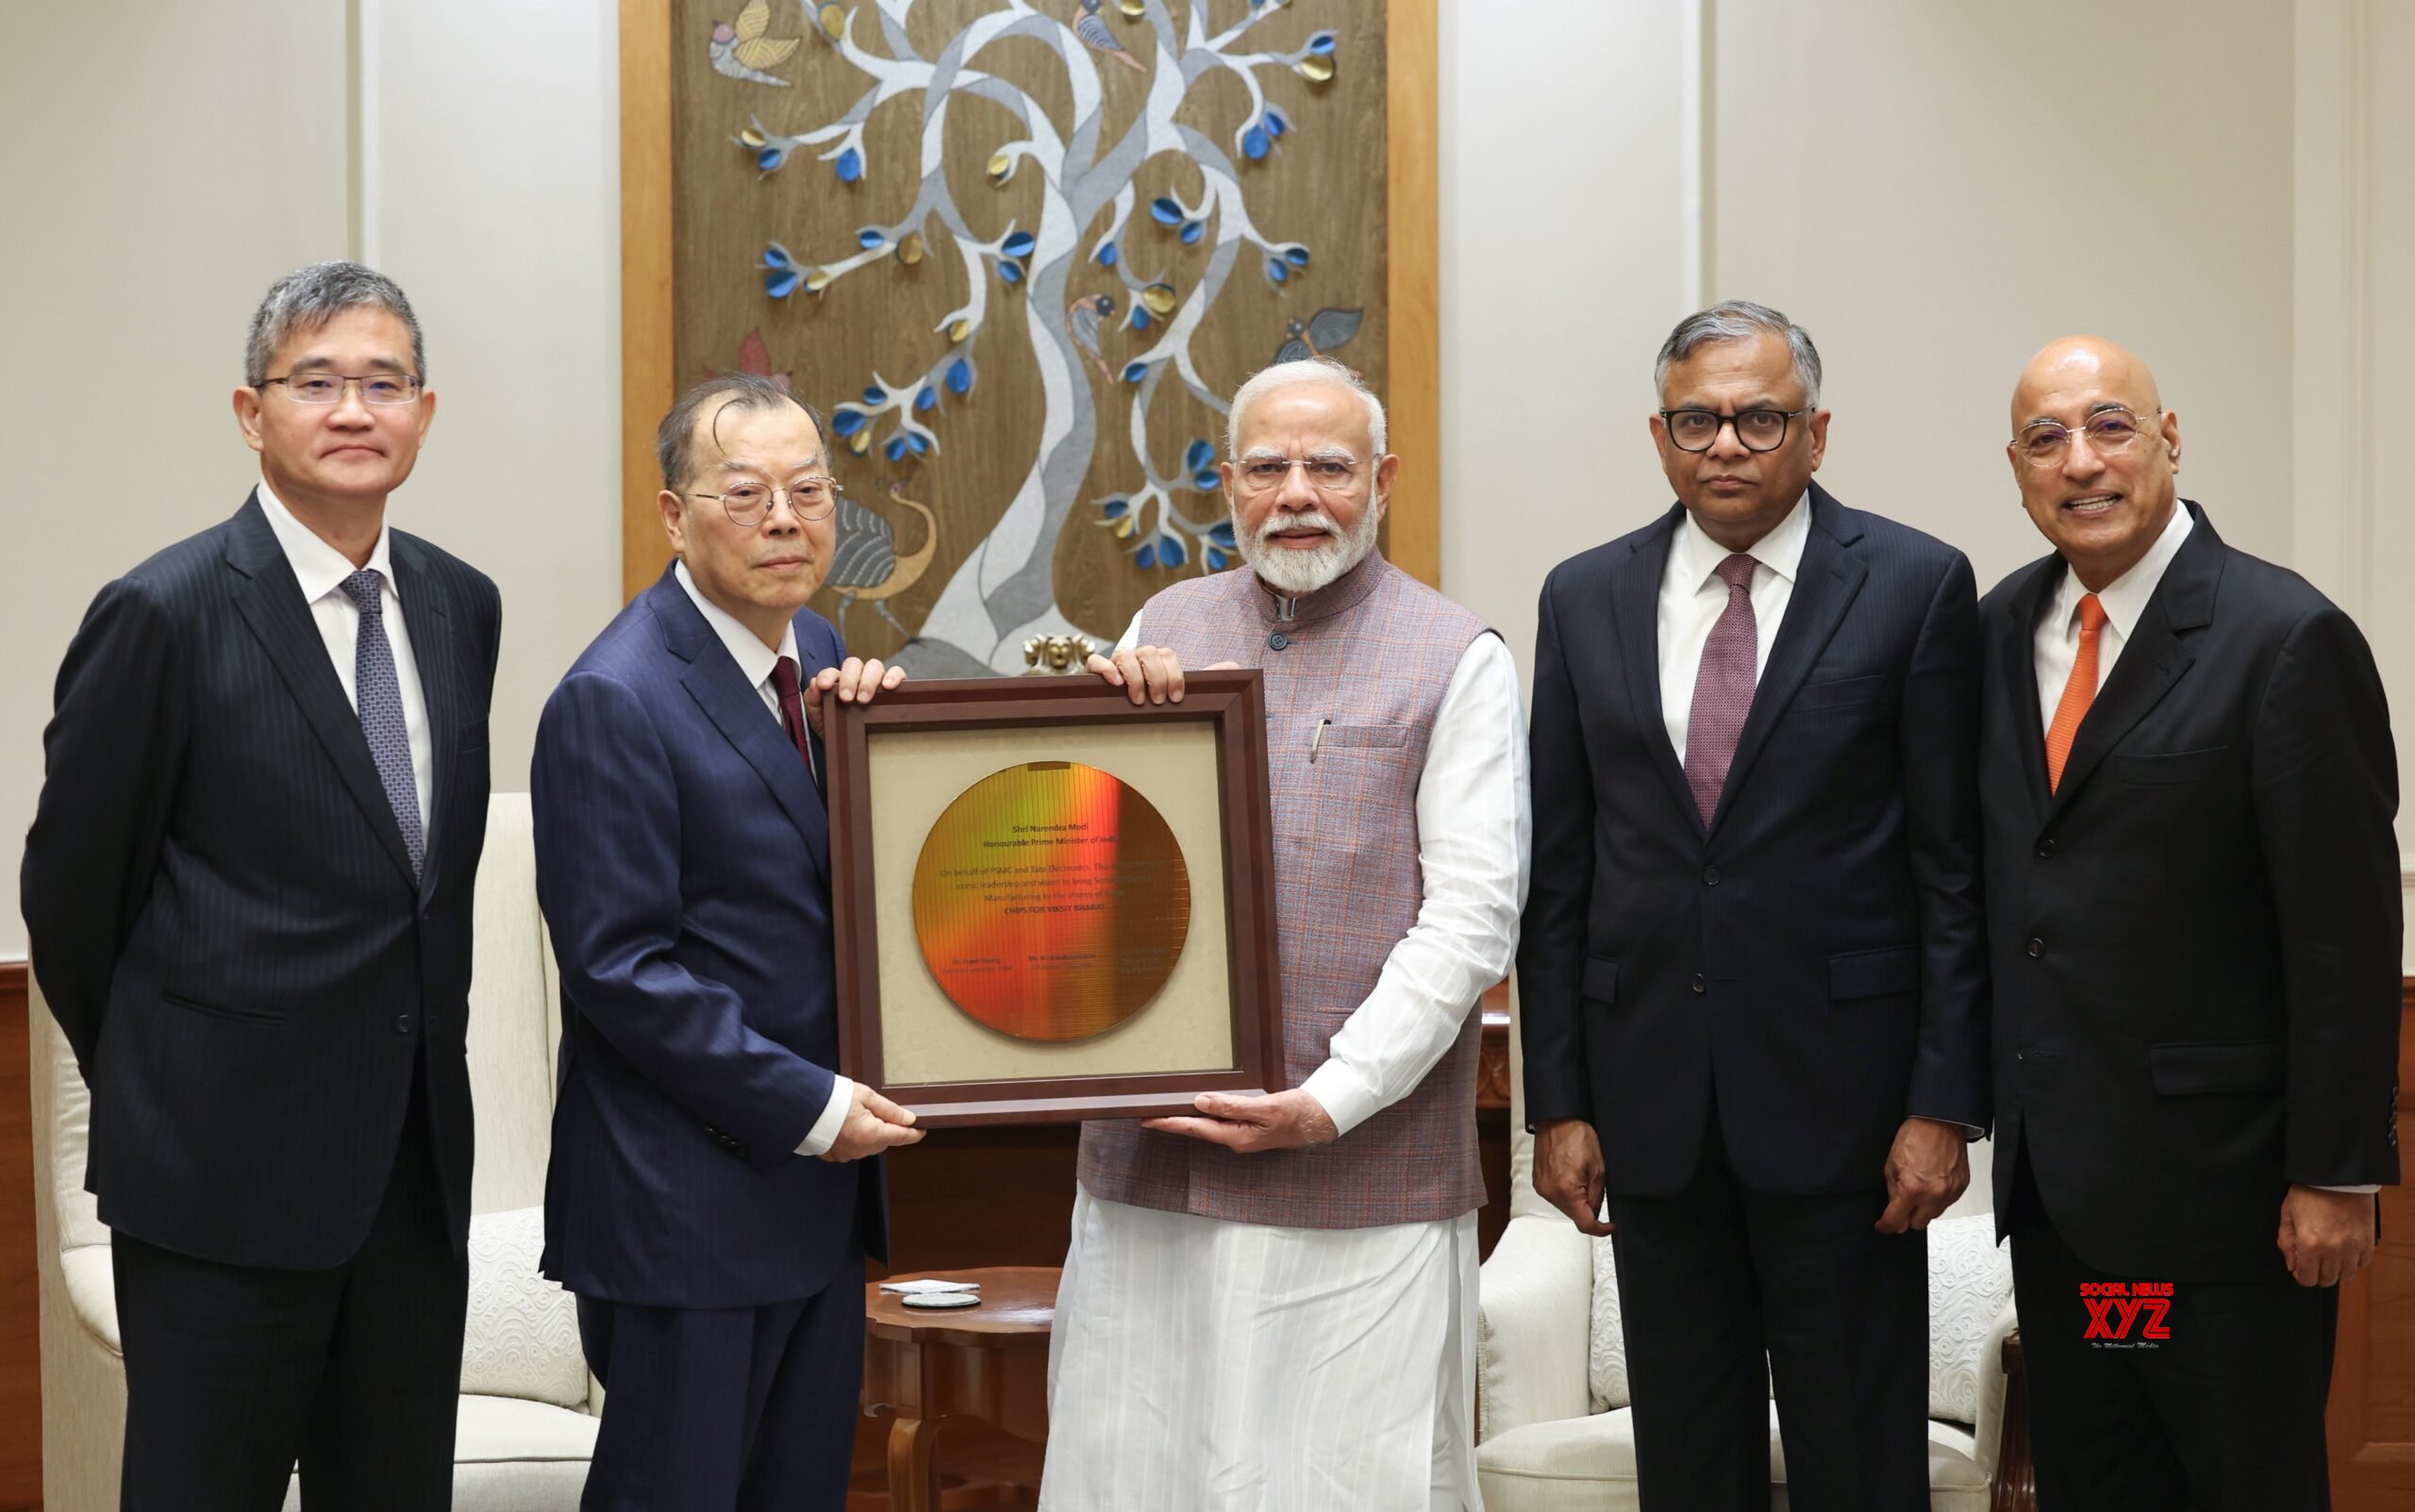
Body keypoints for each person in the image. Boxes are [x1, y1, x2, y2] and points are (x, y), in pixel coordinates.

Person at [21, 261, 499, 1510]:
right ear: (252, 412)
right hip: (217, 1185)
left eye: (383, 382)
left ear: (425, 412)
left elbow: (418, 891)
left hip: (410, 1173)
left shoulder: (460, 605)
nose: (354, 410)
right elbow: (73, 898)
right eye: (317, 381)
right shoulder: (164, 613)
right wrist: (172, 1085)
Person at [1518, 301, 1989, 1511]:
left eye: (1758, 417)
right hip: (1648, 1109)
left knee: (1856, 1455)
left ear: (1815, 433)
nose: (1726, 443)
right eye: (1697, 420)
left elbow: (1952, 869)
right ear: (1660, 433)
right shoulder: (1582, 597)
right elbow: (1560, 873)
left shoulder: (1915, 585)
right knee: (1689, 1459)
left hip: (1849, 1110)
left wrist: (1944, 1103)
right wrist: (1556, 1103)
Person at [1041, 357, 1530, 1511]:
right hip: (1151, 1167)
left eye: (1329, 466)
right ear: (1226, 481)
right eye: (1267, 466)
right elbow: (1077, 860)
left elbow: (1470, 918)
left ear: (1384, 480)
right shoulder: (1164, 625)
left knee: (1335, 1480)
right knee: (1137, 1471)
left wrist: (1330, 1097)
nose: (1296, 493)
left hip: (1357, 1175)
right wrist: (1092, 736)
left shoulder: (1457, 654)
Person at [1980, 335, 2400, 1511]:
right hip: (2063, 1201)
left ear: (2171, 439)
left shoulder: (2284, 638)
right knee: (2094, 1486)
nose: (2081, 462)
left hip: (2230, 1209)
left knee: (2239, 1486)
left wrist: (2336, 1172)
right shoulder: (1996, 630)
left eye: (2111, 426)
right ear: (2015, 468)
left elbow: (2346, 936)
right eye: (2046, 439)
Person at [531, 374, 922, 1511]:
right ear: (672, 514)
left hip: (807, 1205)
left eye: (809, 491)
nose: (785, 520)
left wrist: (879, 747)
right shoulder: (615, 695)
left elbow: (824, 887)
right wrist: (812, 1104)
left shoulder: (818, 649)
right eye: (743, 493)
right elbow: (620, 971)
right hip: (684, 1208)